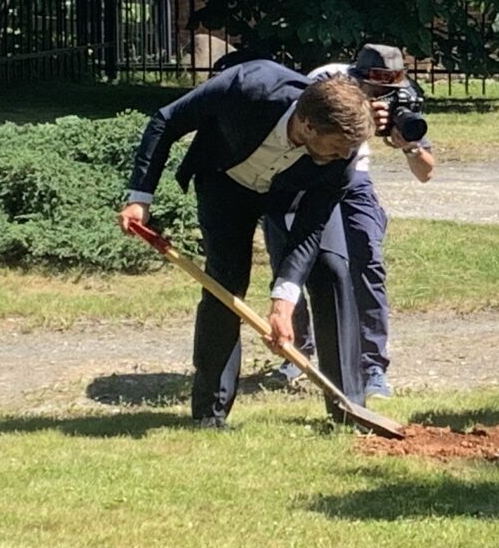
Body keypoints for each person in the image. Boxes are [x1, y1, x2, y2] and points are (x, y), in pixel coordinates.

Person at [118, 62, 373, 428]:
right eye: (336, 147)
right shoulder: (249, 87)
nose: (344, 155)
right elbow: (166, 120)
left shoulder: (342, 154)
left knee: (330, 269)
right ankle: (210, 414)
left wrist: (283, 301)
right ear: (308, 125)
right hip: (226, 183)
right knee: (225, 284)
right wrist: (140, 198)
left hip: (291, 195)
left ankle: (349, 409)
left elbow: (310, 228)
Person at [294, 44, 436, 404]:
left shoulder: (403, 97)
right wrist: (360, 117)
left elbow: (426, 172)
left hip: (354, 178)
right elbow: (297, 136)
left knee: (368, 261)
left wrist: (409, 146)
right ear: (359, 78)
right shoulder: (327, 80)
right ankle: (296, 354)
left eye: (389, 90)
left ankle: (373, 366)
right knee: (301, 261)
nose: (382, 97)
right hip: (309, 175)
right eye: (376, 89)